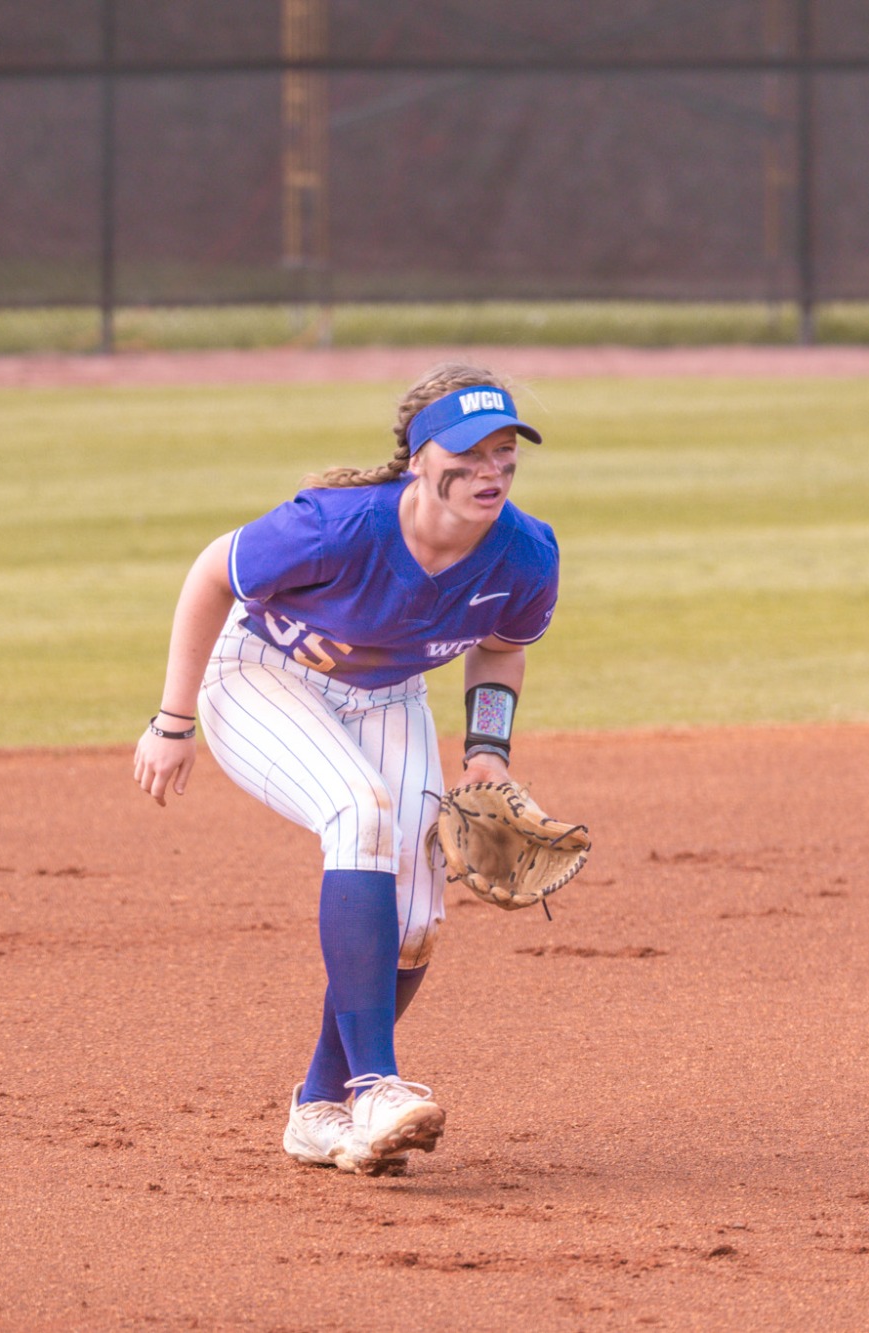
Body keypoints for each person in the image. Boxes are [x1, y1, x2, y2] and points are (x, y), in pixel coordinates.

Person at [131, 362, 561, 1176]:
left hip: (389, 697)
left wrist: (485, 754)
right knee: (359, 813)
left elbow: (502, 646)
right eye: (468, 455)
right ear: (420, 458)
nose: (490, 471)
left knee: (416, 919)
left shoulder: (525, 552)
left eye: (505, 453)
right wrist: (172, 719)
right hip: (260, 680)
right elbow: (212, 573)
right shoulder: (336, 526)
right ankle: (377, 1083)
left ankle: (320, 1110)